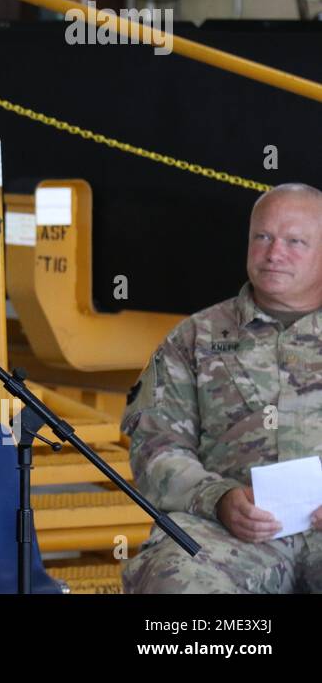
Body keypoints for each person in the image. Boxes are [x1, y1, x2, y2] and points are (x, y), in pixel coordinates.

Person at [122, 182, 322, 593]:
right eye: (262, 237)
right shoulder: (195, 338)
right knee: (177, 581)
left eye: (295, 241)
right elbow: (155, 448)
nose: (273, 253)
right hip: (229, 529)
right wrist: (219, 497)